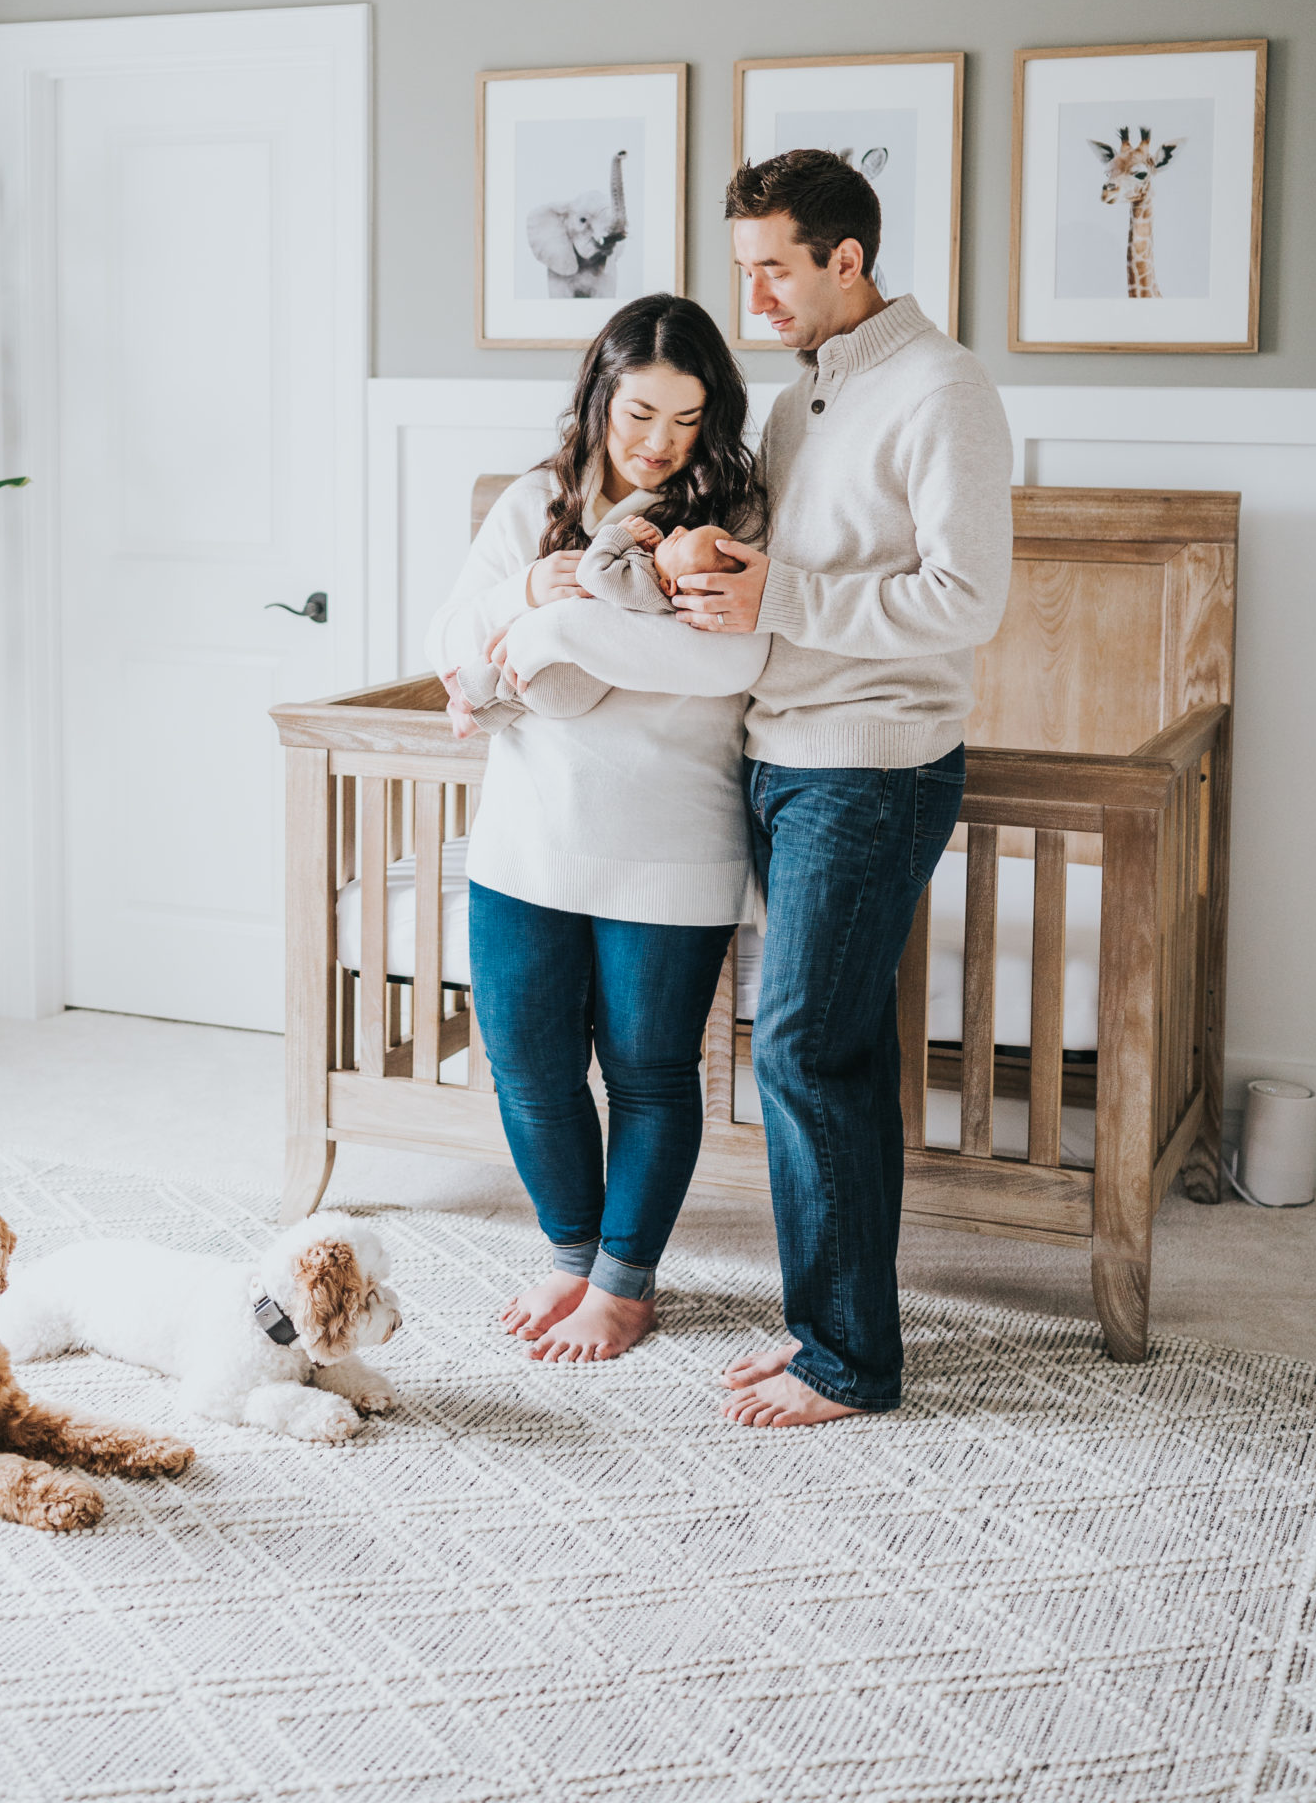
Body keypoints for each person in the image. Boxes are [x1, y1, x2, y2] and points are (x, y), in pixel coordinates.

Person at [672, 149, 1013, 1429]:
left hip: (867, 768)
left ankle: (847, 1359)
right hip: (778, 753)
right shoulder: (797, 398)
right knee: (839, 1057)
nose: (752, 294)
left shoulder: (942, 389)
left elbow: (964, 597)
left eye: (772, 268)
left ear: (845, 260)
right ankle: (835, 1333)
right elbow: (779, 563)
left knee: (805, 1049)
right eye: (743, 268)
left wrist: (780, 594)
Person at [426, 294, 765, 1362]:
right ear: (595, 399)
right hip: (528, 831)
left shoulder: (737, 515)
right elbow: (447, 633)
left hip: (670, 837)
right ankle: (571, 1253)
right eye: (636, 415)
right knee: (525, 1062)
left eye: (683, 417)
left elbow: (724, 661)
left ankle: (625, 1282)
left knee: (647, 1072)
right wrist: (526, 587)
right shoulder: (535, 499)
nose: (659, 443)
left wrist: (552, 631)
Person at [446, 518, 745, 731]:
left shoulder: (643, 582)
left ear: (668, 586)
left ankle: (466, 692)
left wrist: (620, 534)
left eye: (679, 539)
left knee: (501, 667)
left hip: (555, 675)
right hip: (572, 694)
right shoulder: (663, 603)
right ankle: (475, 722)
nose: (678, 529)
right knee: (514, 699)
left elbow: (592, 573)